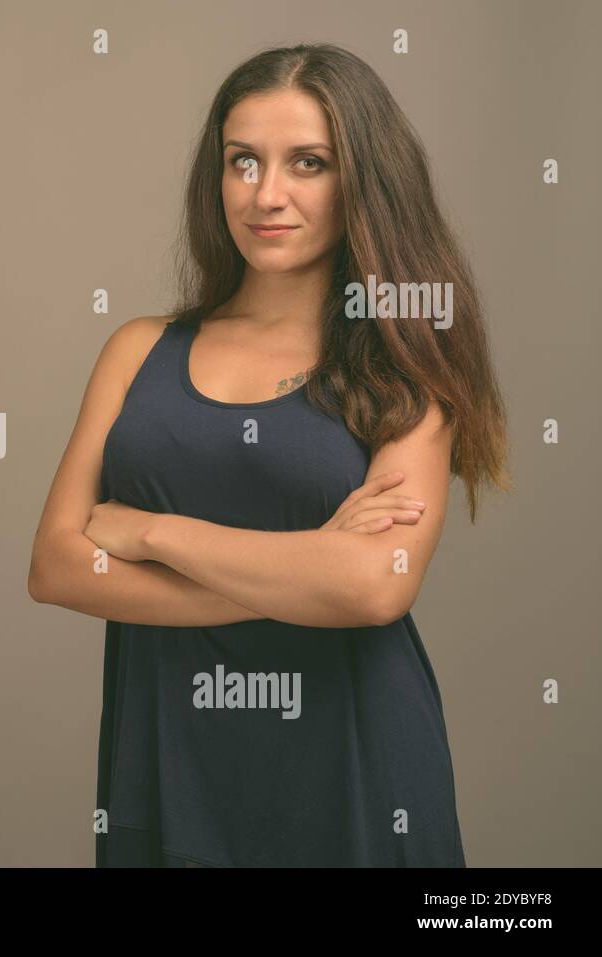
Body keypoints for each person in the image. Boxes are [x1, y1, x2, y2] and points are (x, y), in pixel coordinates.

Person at [28, 44, 510, 867]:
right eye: (242, 161)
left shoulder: (406, 363)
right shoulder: (137, 350)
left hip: (355, 770)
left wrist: (151, 533)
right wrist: (304, 568)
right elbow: (57, 567)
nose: (266, 194)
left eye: (308, 163)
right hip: (169, 765)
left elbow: (372, 585)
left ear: (363, 180)